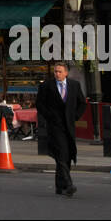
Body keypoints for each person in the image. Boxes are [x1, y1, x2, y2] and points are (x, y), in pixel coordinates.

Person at [36, 61, 87, 197]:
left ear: (66, 73)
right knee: (61, 153)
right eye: (55, 72)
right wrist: (49, 116)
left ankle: (60, 186)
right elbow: (39, 104)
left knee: (68, 154)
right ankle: (69, 184)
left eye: (59, 71)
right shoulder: (46, 86)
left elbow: (82, 103)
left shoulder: (74, 85)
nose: (57, 74)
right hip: (55, 126)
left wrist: (75, 116)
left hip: (69, 126)